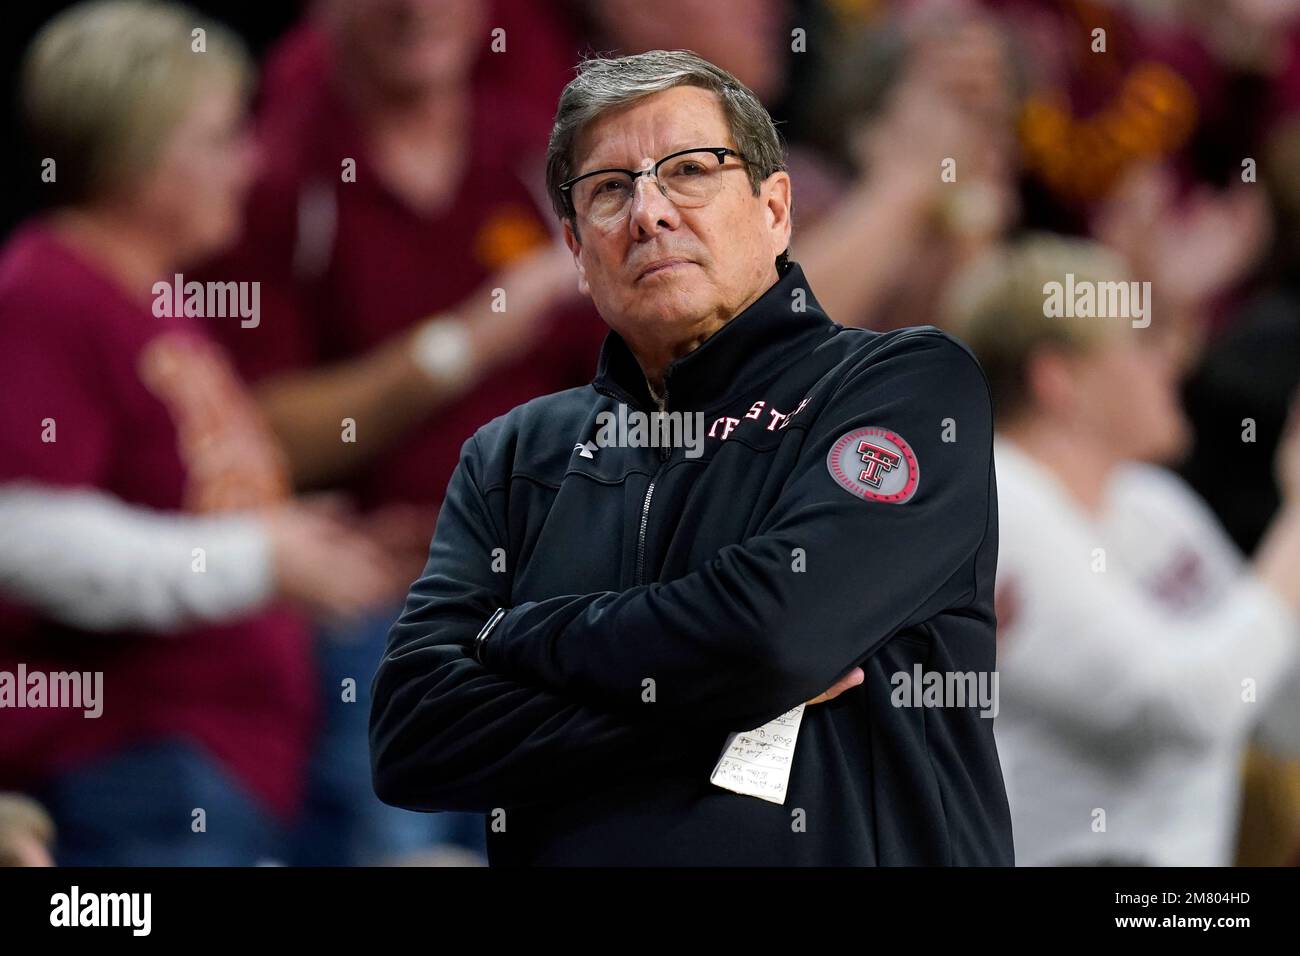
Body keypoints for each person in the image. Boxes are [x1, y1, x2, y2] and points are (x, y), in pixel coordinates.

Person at [370, 50, 1014, 866]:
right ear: (574, 245)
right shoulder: (516, 457)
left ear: (774, 209)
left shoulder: (902, 387)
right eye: (609, 189)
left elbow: (776, 632)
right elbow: (416, 735)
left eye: (690, 171)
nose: (650, 213)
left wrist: (519, 635)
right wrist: (713, 702)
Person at [0, 0, 401, 865]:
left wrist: (312, 548)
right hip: (140, 768)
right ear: (141, 156)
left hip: (227, 769)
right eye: (221, 138)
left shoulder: (158, 299)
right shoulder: (48, 290)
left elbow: (196, 516)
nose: (250, 162)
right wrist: (264, 559)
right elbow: (20, 534)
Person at [947, 234, 1300, 865]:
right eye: (1140, 341)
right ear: (1059, 378)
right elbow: (1179, 704)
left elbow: (1279, 705)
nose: (1175, 358)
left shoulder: (1147, 501)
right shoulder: (998, 504)